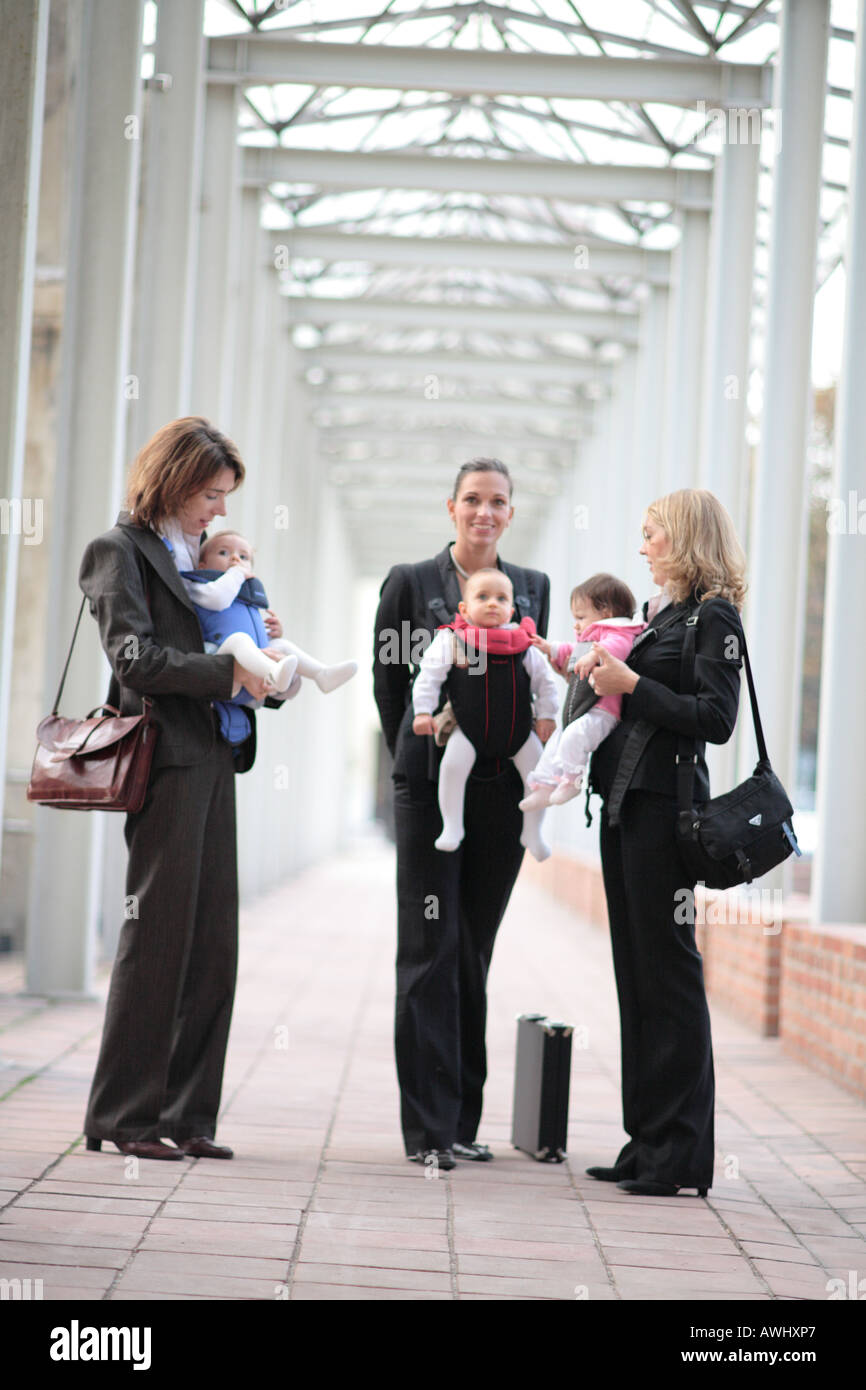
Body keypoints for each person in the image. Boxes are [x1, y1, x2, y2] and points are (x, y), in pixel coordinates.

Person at [80, 417, 285, 1161]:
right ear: (171, 481)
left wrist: (261, 653)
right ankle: (125, 1116)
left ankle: (188, 1115)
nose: (220, 512)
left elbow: (219, 651)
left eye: (226, 497)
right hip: (164, 761)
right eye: (210, 494)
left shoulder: (200, 557)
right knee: (157, 937)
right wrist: (226, 671)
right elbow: (134, 658)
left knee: (211, 944)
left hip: (215, 759)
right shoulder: (119, 550)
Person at [373, 458, 552, 1170]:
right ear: (451, 508)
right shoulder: (409, 583)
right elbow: (393, 687)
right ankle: (426, 1130)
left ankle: (462, 1122)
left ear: (511, 512)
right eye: (473, 500)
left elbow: (540, 681)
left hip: (504, 794)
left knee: (473, 948)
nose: (485, 511)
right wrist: (418, 754)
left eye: (498, 501)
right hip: (431, 790)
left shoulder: (531, 587)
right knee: (428, 950)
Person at [583, 489, 746, 1198]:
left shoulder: (716, 618)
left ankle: (677, 1156)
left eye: (652, 534)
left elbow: (716, 718)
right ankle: (645, 1142)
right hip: (625, 807)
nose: (642, 546)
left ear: (683, 539)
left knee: (668, 978)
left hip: (666, 814)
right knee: (636, 975)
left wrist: (631, 684)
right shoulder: (665, 615)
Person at [411, 567, 558, 859]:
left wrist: (547, 716)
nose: (493, 603)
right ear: (464, 609)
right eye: (483, 596)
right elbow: (428, 675)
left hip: (518, 730)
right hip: (469, 728)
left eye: (501, 598)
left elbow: (546, 683)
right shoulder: (453, 640)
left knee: (540, 775)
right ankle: (452, 826)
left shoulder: (523, 644)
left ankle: (533, 831)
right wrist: (422, 711)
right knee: (452, 768)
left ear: (512, 609)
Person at [180, 529, 357, 746]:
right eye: (224, 553)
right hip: (222, 664)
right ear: (202, 566)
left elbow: (249, 633)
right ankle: (272, 672)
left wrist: (271, 634)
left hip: (253, 681)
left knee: (281, 645)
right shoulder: (201, 587)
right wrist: (236, 574)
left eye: (243, 557)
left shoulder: (243, 596)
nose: (235, 559)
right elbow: (218, 601)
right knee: (239, 640)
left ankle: (322, 674)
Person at [520, 573, 645, 810]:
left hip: (603, 711)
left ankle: (573, 780)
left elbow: (617, 648)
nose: (575, 624)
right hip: (580, 709)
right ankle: (545, 786)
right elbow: (570, 650)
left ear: (606, 613)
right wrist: (551, 648)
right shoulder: (590, 641)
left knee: (574, 737)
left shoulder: (619, 633)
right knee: (557, 742)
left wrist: (594, 655)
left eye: (580, 617)